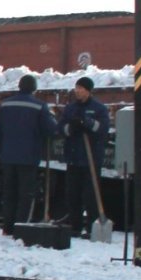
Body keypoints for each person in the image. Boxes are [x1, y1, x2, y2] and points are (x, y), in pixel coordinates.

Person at [0, 74, 59, 235]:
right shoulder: (39, 106)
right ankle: (21, 227)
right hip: (28, 157)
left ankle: (7, 228)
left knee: (9, 193)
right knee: (25, 194)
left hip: (8, 157)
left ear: (19, 86)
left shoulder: (6, 104)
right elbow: (51, 130)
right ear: (34, 89)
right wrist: (53, 118)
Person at [58, 77, 111, 237]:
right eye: (76, 87)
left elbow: (103, 129)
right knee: (72, 194)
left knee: (91, 194)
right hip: (74, 157)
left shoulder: (99, 109)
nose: (77, 91)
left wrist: (87, 123)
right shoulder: (70, 109)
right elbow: (61, 128)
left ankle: (92, 227)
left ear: (88, 90)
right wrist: (71, 128)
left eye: (81, 88)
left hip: (91, 158)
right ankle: (75, 226)